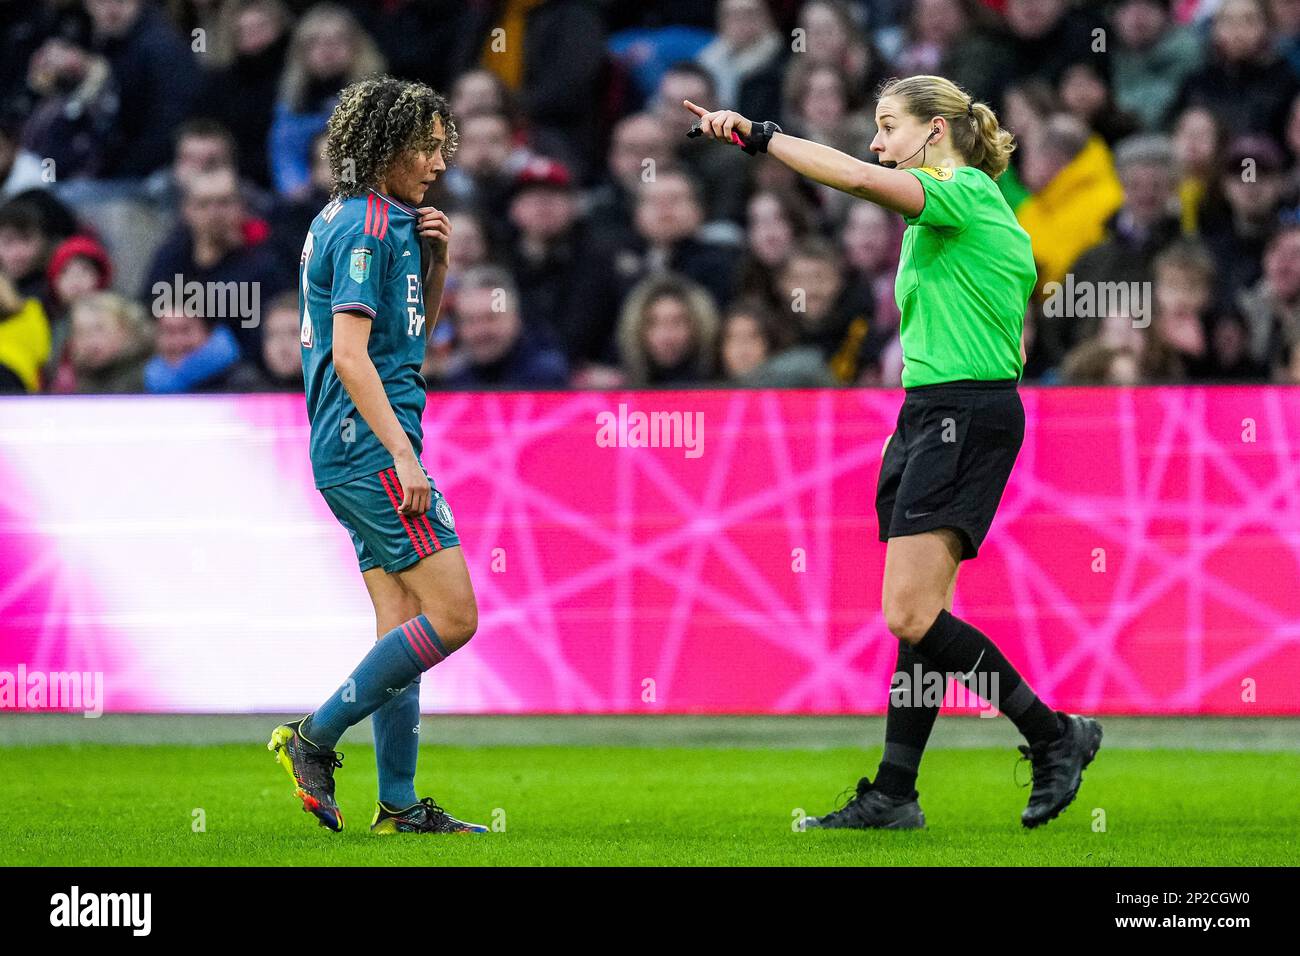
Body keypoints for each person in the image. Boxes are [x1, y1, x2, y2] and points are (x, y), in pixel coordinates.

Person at [684, 73, 1102, 831]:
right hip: (932, 411)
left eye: (887, 125)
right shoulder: (945, 216)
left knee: (909, 615)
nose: (877, 143)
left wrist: (760, 134)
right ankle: (895, 792)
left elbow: (850, 176)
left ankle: (1054, 734)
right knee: (922, 617)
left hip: (963, 412)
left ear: (935, 131)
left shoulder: (966, 194)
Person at [266, 75, 486, 837]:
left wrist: (436, 267)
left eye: (440, 145)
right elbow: (354, 357)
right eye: (423, 145)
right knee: (454, 618)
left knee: (403, 629)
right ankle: (313, 737)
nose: (436, 161)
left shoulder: (370, 220)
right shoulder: (364, 224)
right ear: (383, 147)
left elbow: (403, 340)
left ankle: (397, 807)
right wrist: (406, 457)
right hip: (371, 451)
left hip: (351, 450)